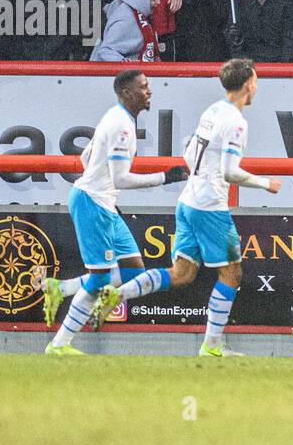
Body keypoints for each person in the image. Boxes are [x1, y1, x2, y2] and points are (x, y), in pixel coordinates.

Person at [90, 59, 281, 357]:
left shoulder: (213, 110)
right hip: (209, 206)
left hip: (188, 200)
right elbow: (230, 171)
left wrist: (201, 174)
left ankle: (117, 293)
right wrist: (264, 183)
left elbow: (189, 151)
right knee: (232, 274)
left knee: (182, 273)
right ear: (249, 84)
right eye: (256, 80)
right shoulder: (236, 122)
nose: (256, 86)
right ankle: (213, 345)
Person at [37, 70, 188, 355]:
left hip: (101, 202)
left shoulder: (114, 116)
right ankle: (59, 345)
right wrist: (164, 178)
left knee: (133, 272)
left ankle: (63, 288)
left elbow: (85, 158)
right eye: (144, 87)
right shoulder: (122, 126)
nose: (149, 92)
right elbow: (120, 179)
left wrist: (99, 178)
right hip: (93, 203)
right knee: (99, 279)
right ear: (128, 93)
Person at [91, 0, 163, 62]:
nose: (159, 2)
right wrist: (123, 62)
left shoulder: (141, 14)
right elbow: (106, 50)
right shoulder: (125, 19)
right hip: (115, 74)